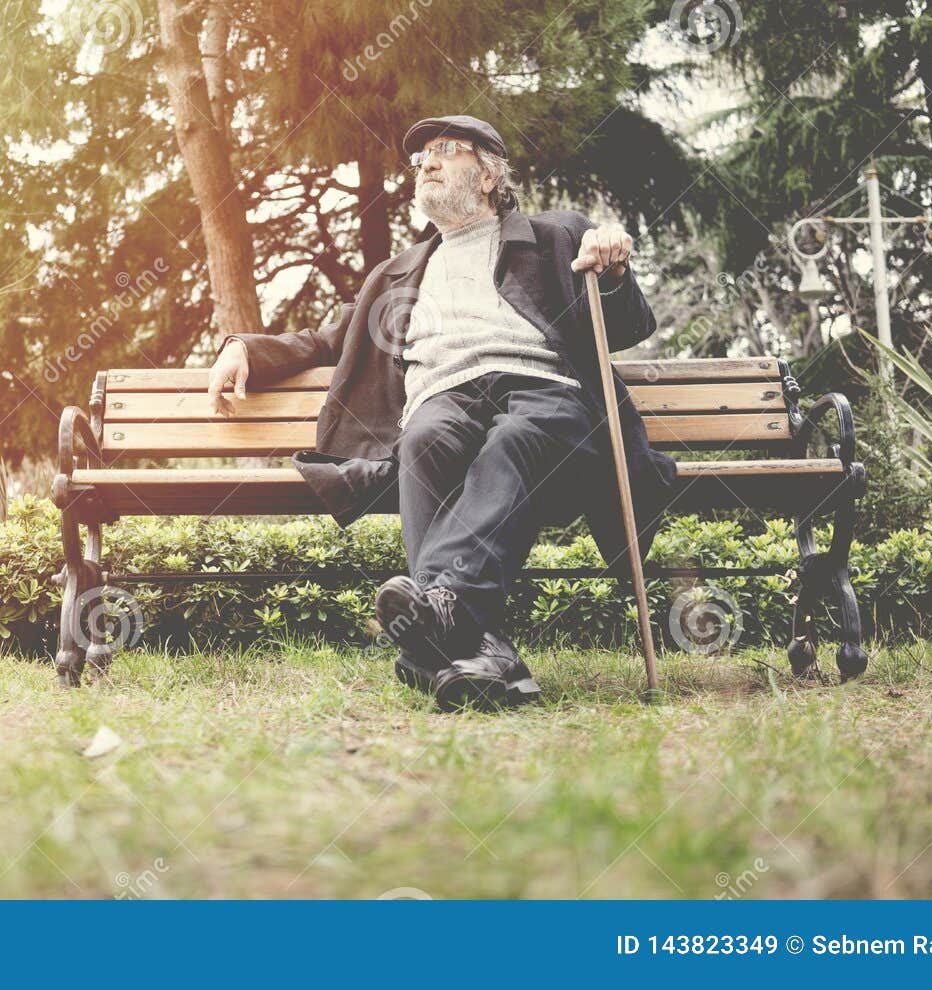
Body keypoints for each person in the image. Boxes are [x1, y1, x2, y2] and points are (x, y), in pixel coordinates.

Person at [206, 114, 675, 712]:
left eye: (447, 150)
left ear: (488, 177)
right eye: (420, 156)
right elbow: (324, 341)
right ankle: (476, 649)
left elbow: (627, 326)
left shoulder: (558, 236)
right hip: (443, 396)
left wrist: (612, 270)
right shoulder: (396, 274)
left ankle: (437, 625)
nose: (426, 161)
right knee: (422, 439)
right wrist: (244, 348)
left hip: (542, 389)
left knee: (515, 438)